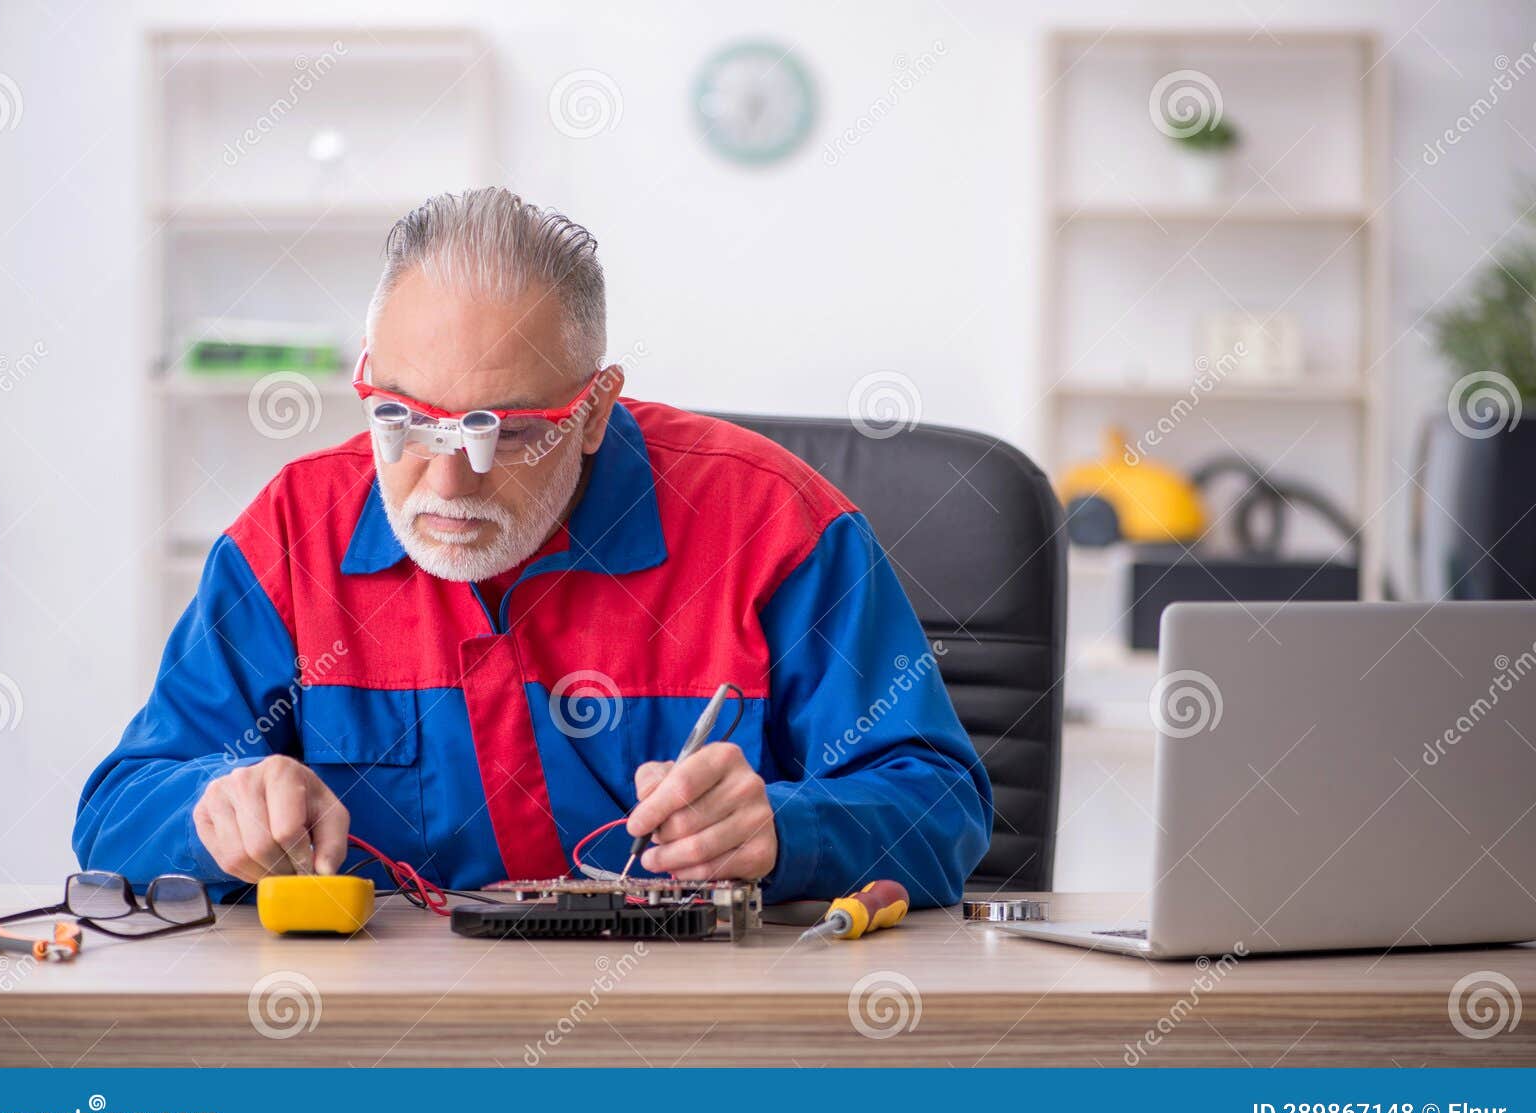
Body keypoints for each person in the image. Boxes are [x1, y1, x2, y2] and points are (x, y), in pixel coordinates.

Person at [73, 187, 991, 905]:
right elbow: (117, 810)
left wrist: (788, 835)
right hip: (382, 1046)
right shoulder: (292, 536)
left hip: (702, 1041)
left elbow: (943, 804)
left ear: (594, 408)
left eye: (503, 434)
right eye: (401, 419)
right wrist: (212, 810)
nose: (443, 484)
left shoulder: (775, 529)